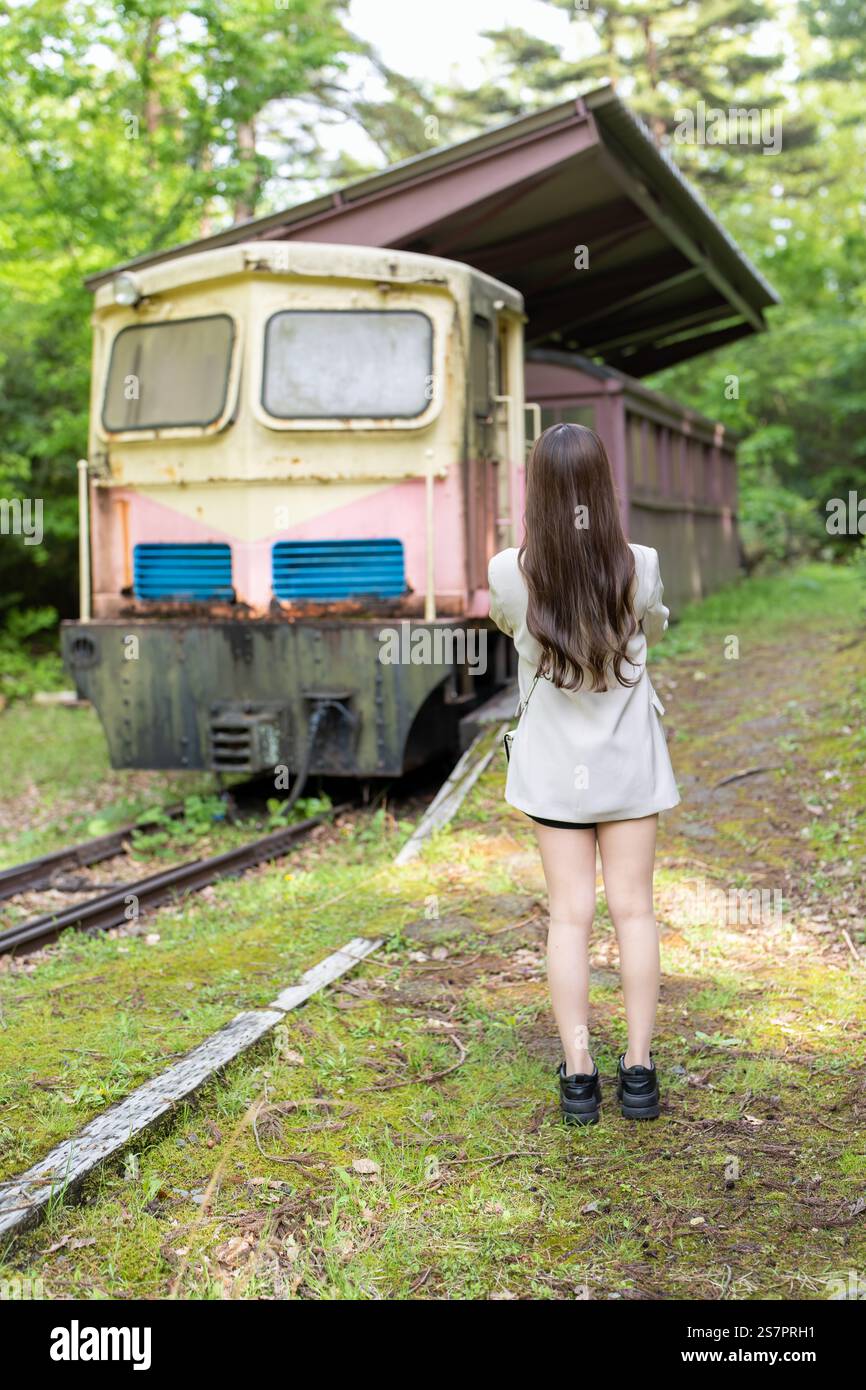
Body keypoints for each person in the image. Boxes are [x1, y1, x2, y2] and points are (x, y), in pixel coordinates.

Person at [488, 422, 679, 1125]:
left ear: (535, 489)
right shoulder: (642, 564)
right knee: (634, 911)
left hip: (553, 767)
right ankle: (639, 1073)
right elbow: (652, 626)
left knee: (569, 916)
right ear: (604, 485)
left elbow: (512, 625)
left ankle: (578, 1076)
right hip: (628, 766)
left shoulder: (510, 570)